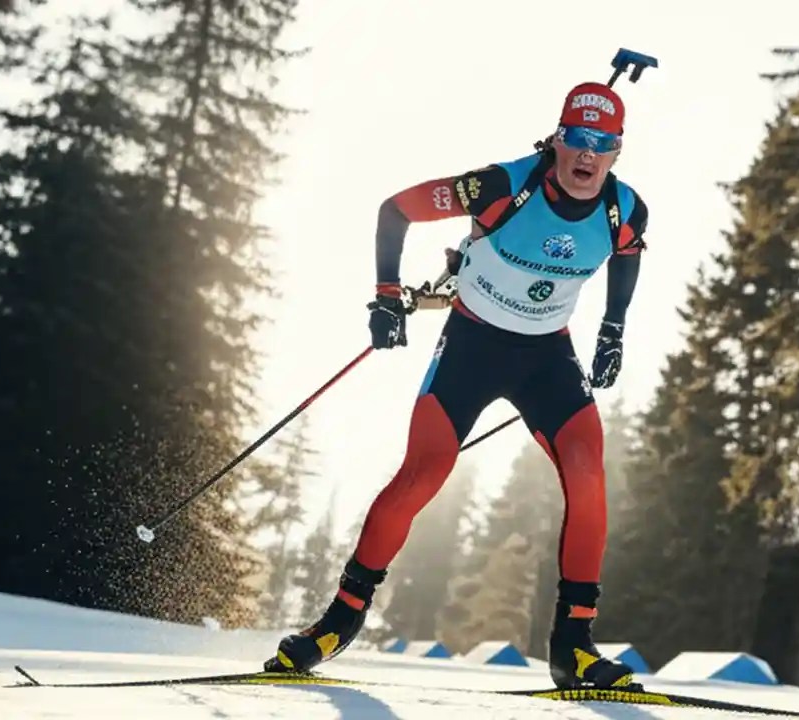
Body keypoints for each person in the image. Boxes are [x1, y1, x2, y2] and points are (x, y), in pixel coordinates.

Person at [265, 80, 649, 690]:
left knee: (588, 471)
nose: (586, 155)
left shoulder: (624, 210)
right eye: (576, 138)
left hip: (548, 355)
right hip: (472, 346)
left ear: (617, 151)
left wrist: (612, 332)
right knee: (424, 473)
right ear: (557, 140)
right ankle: (339, 620)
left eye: (602, 144)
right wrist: (387, 295)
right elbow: (397, 209)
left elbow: (628, 253)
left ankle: (572, 645)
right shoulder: (501, 186)